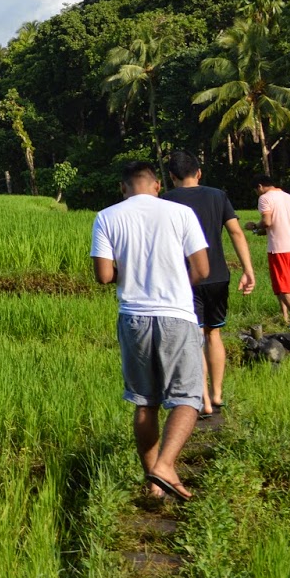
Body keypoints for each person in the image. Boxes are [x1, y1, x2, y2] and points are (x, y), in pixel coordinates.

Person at [91, 160, 210, 502]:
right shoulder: (181, 213)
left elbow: (103, 276)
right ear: (157, 186)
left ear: (123, 188)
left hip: (133, 317)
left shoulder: (107, 216)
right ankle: (166, 465)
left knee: (145, 403)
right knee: (187, 398)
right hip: (177, 315)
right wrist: (175, 284)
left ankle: (154, 485)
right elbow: (201, 268)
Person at [161, 151, 255, 416]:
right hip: (217, 275)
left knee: (194, 337)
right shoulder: (217, 195)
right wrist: (248, 270)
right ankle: (217, 393)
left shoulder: (166, 201)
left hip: (185, 278)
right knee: (214, 333)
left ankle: (203, 399)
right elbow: (236, 232)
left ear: (171, 176)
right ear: (198, 172)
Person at [251, 175, 290, 329]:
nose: (257, 192)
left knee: (283, 286)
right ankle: (285, 316)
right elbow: (279, 224)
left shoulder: (265, 198)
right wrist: (259, 231)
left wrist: (254, 226)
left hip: (279, 248)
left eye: (256, 190)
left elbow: (267, 222)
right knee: (286, 285)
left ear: (260, 186)